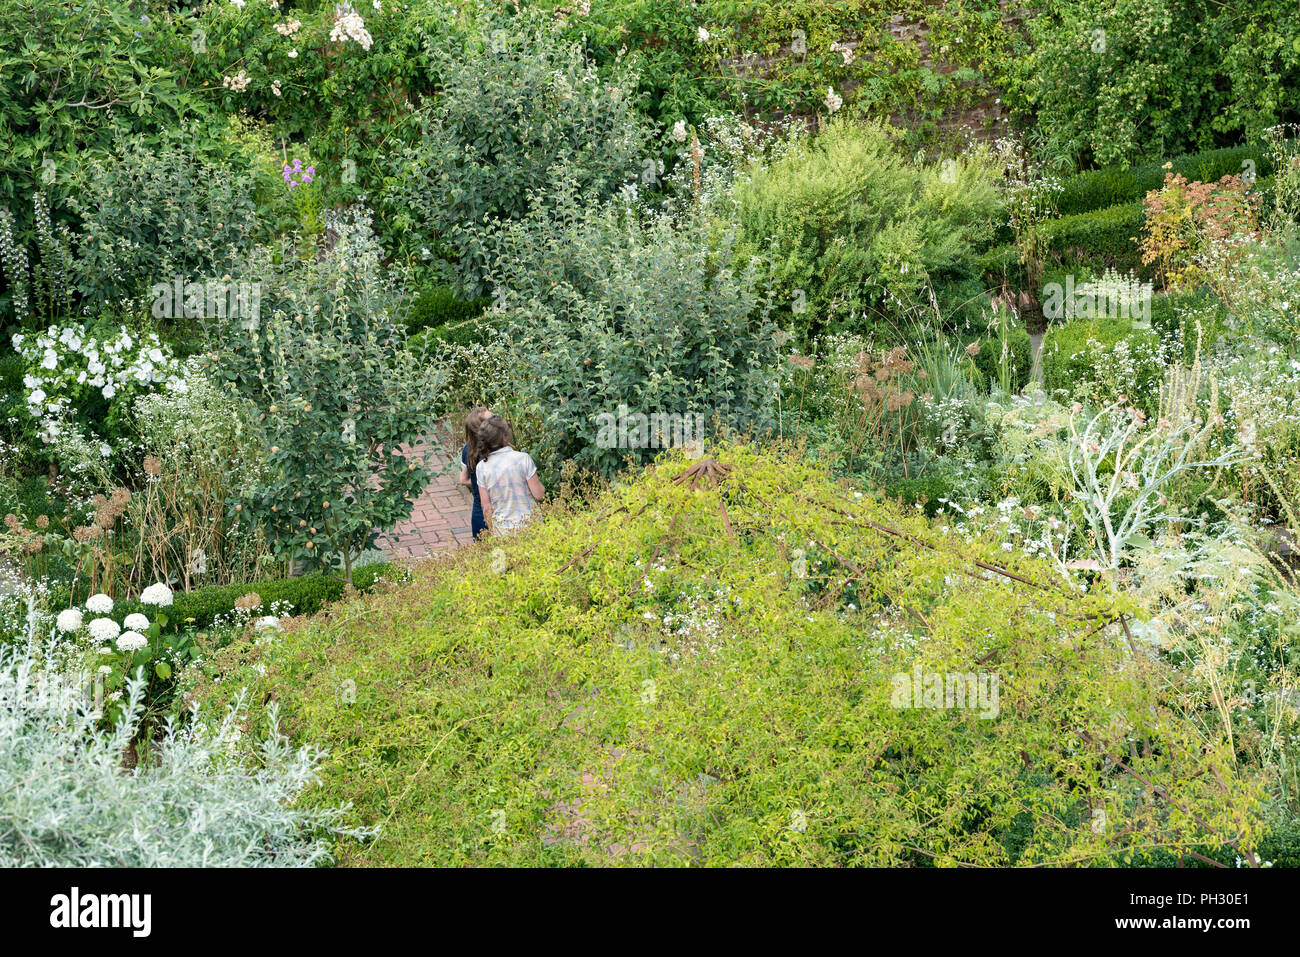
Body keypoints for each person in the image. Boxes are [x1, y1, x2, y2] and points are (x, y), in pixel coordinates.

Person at [471, 415, 545, 536]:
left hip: (502, 530)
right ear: (505, 437)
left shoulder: (481, 467)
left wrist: (493, 531)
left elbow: (486, 507)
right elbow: (539, 494)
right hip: (530, 526)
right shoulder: (522, 458)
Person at [458, 407, 492, 540]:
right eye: (492, 419)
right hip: (496, 509)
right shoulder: (494, 450)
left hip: (478, 511)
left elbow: (463, 479)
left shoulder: (468, 449)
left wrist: (480, 486)